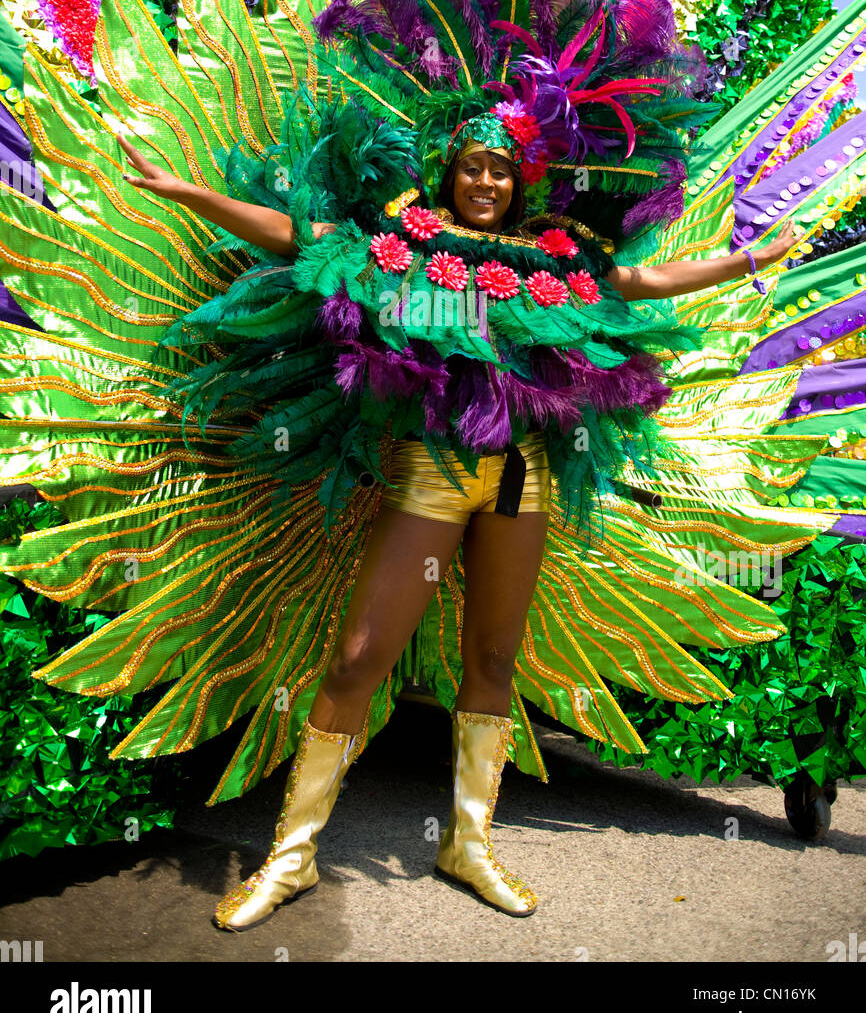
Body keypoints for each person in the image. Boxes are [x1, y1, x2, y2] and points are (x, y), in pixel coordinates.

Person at [116, 122, 795, 929]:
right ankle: (291, 857)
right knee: (358, 659)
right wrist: (189, 193)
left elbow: (645, 279)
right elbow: (301, 235)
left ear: (519, 184)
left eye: (501, 172)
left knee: (496, 656)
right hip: (434, 469)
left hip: (525, 474)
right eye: (471, 168)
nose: (484, 182)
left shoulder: (556, 256)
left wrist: (748, 260)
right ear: (450, 174)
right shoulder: (405, 240)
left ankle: (468, 844)